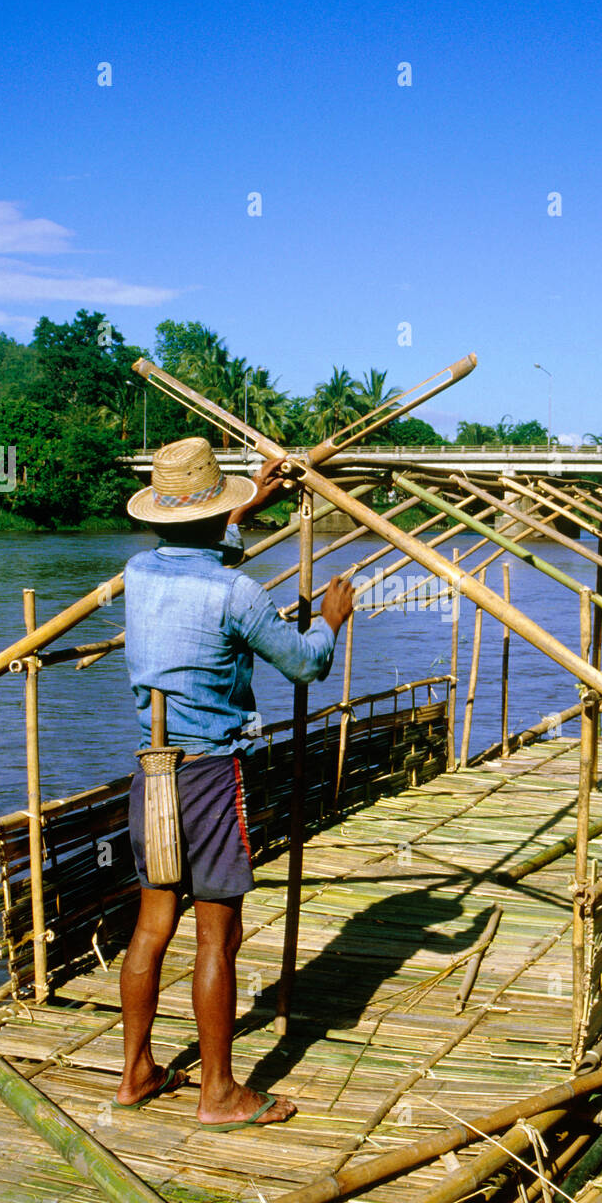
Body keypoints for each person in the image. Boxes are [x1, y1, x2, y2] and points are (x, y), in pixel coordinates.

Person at [116, 437, 353, 1128]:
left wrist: (256, 492)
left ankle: (135, 1072)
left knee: (153, 925)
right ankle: (218, 1093)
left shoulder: (139, 573)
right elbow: (306, 665)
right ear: (213, 517)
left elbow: (204, 549)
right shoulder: (237, 592)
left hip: (151, 769)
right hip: (212, 774)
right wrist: (331, 624)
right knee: (219, 933)